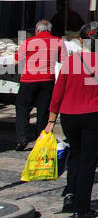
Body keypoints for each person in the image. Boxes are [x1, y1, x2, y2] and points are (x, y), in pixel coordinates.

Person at [44, 22, 98, 218]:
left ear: (80, 40)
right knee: (88, 161)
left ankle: (70, 196)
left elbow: (58, 91)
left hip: (69, 115)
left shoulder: (70, 61)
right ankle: (81, 208)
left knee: (76, 155)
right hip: (95, 114)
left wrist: (51, 120)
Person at [14, 19, 64, 152]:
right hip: (47, 80)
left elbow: (16, 61)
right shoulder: (58, 42)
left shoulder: (28, 42)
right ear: (50, 30)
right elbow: (64, 60)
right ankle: (41, 140)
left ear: (37, 30)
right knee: (43, 111)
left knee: (22, 109)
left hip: (28, 80)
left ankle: (22, 138)